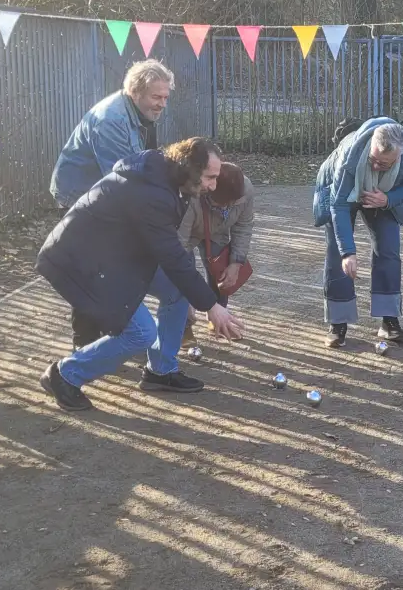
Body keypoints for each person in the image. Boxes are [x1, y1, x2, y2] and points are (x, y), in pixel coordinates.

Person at [36, 138, 244, 412]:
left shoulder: (169, 178)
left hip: (115, 256)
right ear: (191, 168)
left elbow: (170, 255)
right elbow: (171, 255)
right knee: (141, 333)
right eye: (210, 177)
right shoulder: (152, 194)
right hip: (82, 261)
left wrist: (205, 300)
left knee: (177, 291)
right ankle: (63, 375)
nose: (213, 186)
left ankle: (160, 371)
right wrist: (211, 306)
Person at [49, 59, 175, 350]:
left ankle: (104, 339)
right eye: (156, 97)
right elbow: (123, 180)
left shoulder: (139, 114)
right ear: (136, 92)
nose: (162, 104)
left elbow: (143, 165)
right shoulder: (112, 121)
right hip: (80, 197)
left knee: (108, 265)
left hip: (105, 195)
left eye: (165, 97)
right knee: (91, 269)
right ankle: (84, 345)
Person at [313, 118, 403, 347]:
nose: (375, 167)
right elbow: (339, 205)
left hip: (382, 195)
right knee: (337, 253)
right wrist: (347, 252)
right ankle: (338, 322)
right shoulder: (350, 154)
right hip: (340, 193)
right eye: (373, 160)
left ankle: (389, 321)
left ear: (398, 157)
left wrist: (388, 199)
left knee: (389, 249)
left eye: (383, 165)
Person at [178, 162, 255, 345]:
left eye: (231, 205)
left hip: (217, 232)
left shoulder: (246, 190)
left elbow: (243, 226)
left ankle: (218, 318)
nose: (227, 209)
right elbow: (177, 247)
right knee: (181, 273)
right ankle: (183, 327)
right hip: (187, 233)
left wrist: (236, 263)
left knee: (223, 271)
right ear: (208, 190)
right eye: (221, 205)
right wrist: (186, 292)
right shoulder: (190, 196)